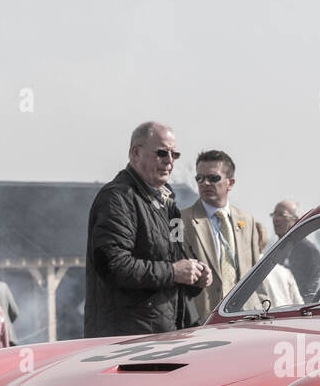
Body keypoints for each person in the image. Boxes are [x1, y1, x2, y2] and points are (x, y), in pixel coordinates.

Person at [84, 121, 211, 337]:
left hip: (163, 335)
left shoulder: (169, 203)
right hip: (127, 341)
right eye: (162, 153)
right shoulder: (117, 199)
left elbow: (176, 260)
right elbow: (114, 266)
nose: (169, 162)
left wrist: (195, 277)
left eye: (174, 155)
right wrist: (173, 272)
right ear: (135, 153)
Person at [181, 150, 265, 322]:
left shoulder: (246, 221)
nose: (204, 183)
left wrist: (262, 310)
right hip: (202, 322)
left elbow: (258, 275)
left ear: (230, 183)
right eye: (199, 178)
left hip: (245, 319)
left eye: (213, 178)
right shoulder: (182, 220)